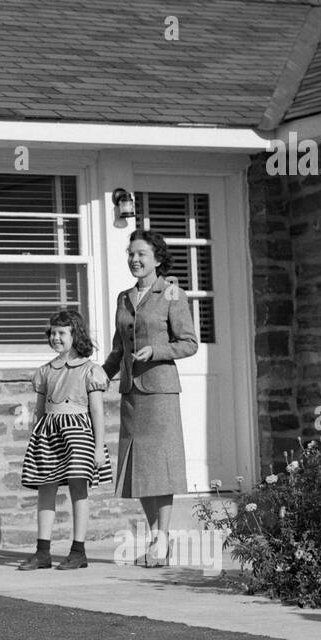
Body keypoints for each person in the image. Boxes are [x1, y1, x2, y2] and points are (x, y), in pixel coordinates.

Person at [102, 229, 198, 567]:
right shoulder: (123, 297)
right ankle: (157, 539)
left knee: (160, 468)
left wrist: (156, 350)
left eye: (141, 253)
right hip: (131, 393)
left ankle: (162, 539)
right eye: (130, 253)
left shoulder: (172, 294)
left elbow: (188, 343)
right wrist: (101, 375)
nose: (134, 259)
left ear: (157, 258)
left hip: (160, 392)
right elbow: (118, 349)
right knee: (138, 469)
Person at [16, 309, 112, 570]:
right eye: (53, 333)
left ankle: (78, 551)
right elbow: (39, 409)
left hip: (78, 433)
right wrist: (35, 434)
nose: (56, 337)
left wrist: (98, 448)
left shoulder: (90, 370)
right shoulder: (45, 371)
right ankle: (43, 552)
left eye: (62, 333)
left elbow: (97, 412)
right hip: (49, 433)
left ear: (75, 335)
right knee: (46, 488)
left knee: (78, 489)